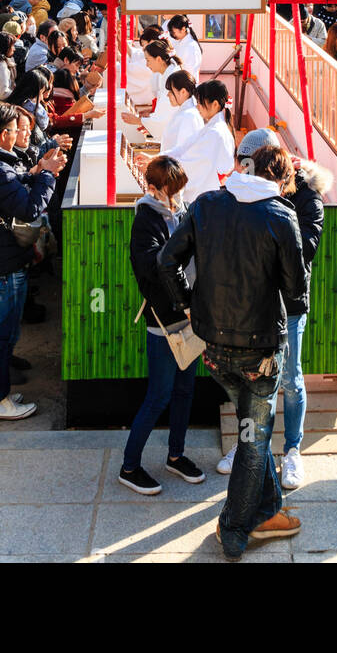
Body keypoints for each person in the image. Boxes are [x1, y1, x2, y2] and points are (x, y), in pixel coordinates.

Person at [158, 138, 308, 561]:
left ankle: (268, 510)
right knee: (254, 440)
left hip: (212, 346)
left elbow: (166, 261)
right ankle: (235, 526)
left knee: (248, 426)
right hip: (259, 349)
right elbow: (297, 295)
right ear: (280, 176)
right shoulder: (281, 215)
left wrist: (188, 302)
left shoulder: (206, 204)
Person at [218, 132, 328, 491]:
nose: (246, 171)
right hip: (251, 303)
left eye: (251, 164)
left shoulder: (307, 197)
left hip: (289, 306)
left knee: (292, 379)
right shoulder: (243, 195)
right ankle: (248, 443)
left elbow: (304, 252)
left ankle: (293, 450)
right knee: (251, 379)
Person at [0, 101, 65, 419]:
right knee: (1, 335)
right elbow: (30, 208)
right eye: (16, 129)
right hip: (2, 265)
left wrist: (35, 171)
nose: (22, 133)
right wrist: (46, 176)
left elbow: (14, 191)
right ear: (2, 134)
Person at [118, 155, 206, 495]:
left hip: (190, 319)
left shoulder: (181, 211)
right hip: (164, 322)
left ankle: (176, 454)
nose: (177, 197)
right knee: (158, 396)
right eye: (171, 192)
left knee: (185, 391)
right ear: (152, 189)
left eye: (179, 191)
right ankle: (129, 466)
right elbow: (151, 272)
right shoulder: (145, 220)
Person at [165, 79, 235, 203]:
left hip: (208, 192)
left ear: (215, 105)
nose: (197, 106)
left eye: (200, 102)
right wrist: (159, 159)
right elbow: (184, 148)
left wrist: (161, 164)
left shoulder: (215, 133)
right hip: (209, 189)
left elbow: (190, 162)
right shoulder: (212, 127)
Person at [165, 15, 203, 79]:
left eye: (173, 32)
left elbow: (189, 72)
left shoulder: (191, 47)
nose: (172, 35)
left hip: (186, 83)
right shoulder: (180, 42)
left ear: (183, 29)